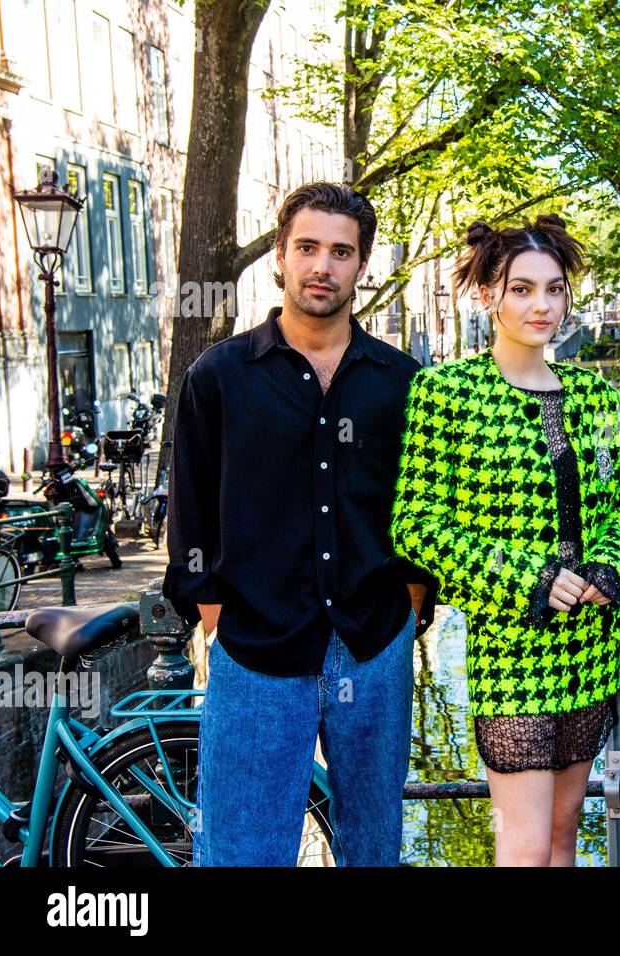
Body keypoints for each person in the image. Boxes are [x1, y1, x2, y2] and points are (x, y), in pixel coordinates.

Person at [164, 182, 435, 866]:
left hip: (372, 644)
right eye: (307, 247)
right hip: (256, 645)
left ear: (362, 265)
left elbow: (425, 506)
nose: (323, 265)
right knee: (244, 852)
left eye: (341, 252)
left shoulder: (403, 381)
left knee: (372, 850)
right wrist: (213, 616)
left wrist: (411, 598)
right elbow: (190, 503)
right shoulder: (219, 376)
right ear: (281, 257)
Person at [391, 215, 620, 867]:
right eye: (522, 289)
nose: (541, 305)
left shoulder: (597, 397)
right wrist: (525, 577)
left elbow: (616, 510)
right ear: (488, 295)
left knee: (561, 840)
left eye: (554, 289)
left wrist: (609, 568)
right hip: (511, 652)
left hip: (587, 651)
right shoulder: (446, 393)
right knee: (523, 847)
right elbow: (416, 525)